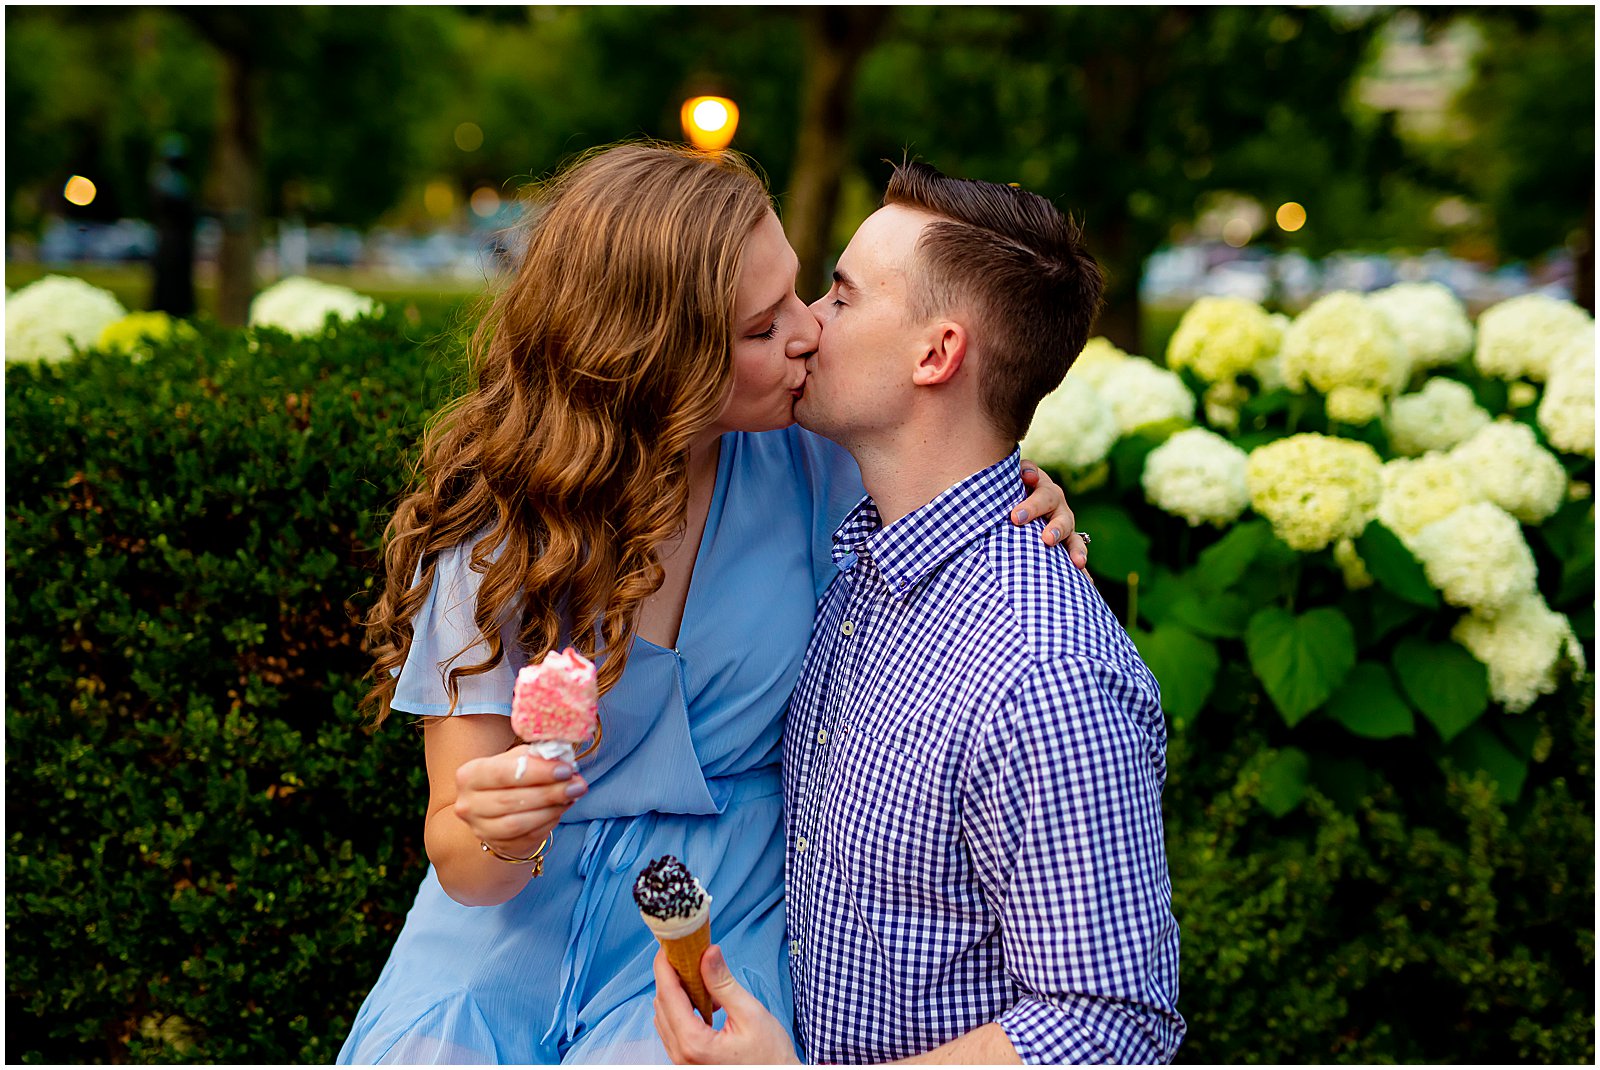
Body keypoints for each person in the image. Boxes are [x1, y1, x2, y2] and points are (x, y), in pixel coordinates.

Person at [337, 143, 1084, 1065]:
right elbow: (461, 860)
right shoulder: (497, 528)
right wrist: (495, 826)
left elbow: (951, 480)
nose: (808, 333)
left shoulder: (821, 460)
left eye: (803, 293)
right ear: (660, 361)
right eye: (763, 328)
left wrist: (1034, 504)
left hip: (722, 915)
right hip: (508, 923)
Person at [652, 164, 1185, 1064]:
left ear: (935, 355)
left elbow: (1110, 1026)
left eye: (842, 297)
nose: (807, 324)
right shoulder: (855, 562)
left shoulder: (1045, 675)